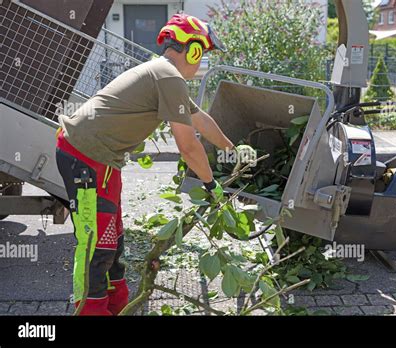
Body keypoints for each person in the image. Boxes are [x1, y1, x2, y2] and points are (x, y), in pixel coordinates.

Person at [55, 13, 254, 315]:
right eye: (202, 55)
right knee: (97, 246)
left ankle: (116, 307)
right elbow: (188, 145)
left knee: (113, 240)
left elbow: (201, 120)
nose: (201, 64)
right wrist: (212, 185)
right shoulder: (168, 76)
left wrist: (232, 148)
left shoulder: (165, 75)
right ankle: (89, 312)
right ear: (193, 50)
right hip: (87, 157)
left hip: (101, 160)